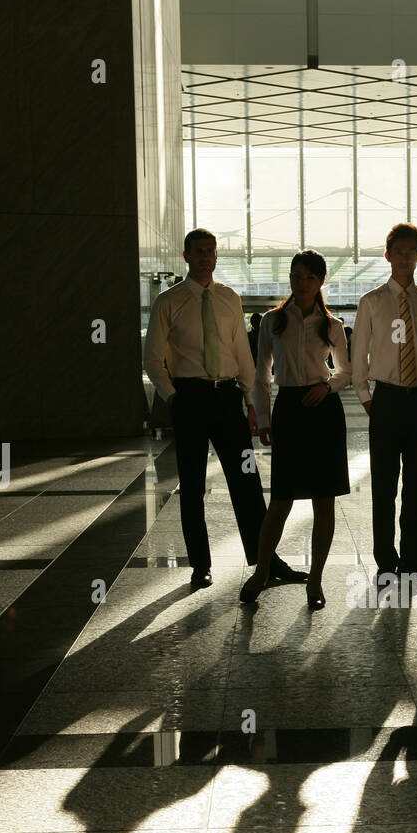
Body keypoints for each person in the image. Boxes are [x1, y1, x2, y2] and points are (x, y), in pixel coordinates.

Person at [143, 228, 306, 593]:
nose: (206, 257)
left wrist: (251, 403)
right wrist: (172, 397)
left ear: (217, 257)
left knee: (246, 482)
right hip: (188, 399)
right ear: (186, 256)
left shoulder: (229, 299)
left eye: (211, 251)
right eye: (199, 251)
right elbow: (152, 358)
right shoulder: (168, 302)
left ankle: (265, 560)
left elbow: (242, 355)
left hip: (227, 399)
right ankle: (200, 565)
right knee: (193, 485)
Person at [241, 250, 352, 613]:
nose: (301, 283)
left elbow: (345, 373)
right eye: (296, 276)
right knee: (281, 500)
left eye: (309, 277)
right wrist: (265, 418)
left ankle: (316, 580)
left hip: (323, 411)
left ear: (320, 281)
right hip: (289, 409)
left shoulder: (331, 324)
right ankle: (262, 573)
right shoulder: (273, 321)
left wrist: (329, 387)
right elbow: (261, 375)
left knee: (324, 499)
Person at [352, 222, 417, 579]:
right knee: (384, 486)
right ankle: (386, 559)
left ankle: (414, 560)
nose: (404, 259)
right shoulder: (372, 302)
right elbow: (358, 353)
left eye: (411, 252)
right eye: (398, 252)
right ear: (388, 256)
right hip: (386, 401)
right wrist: (365, 396)